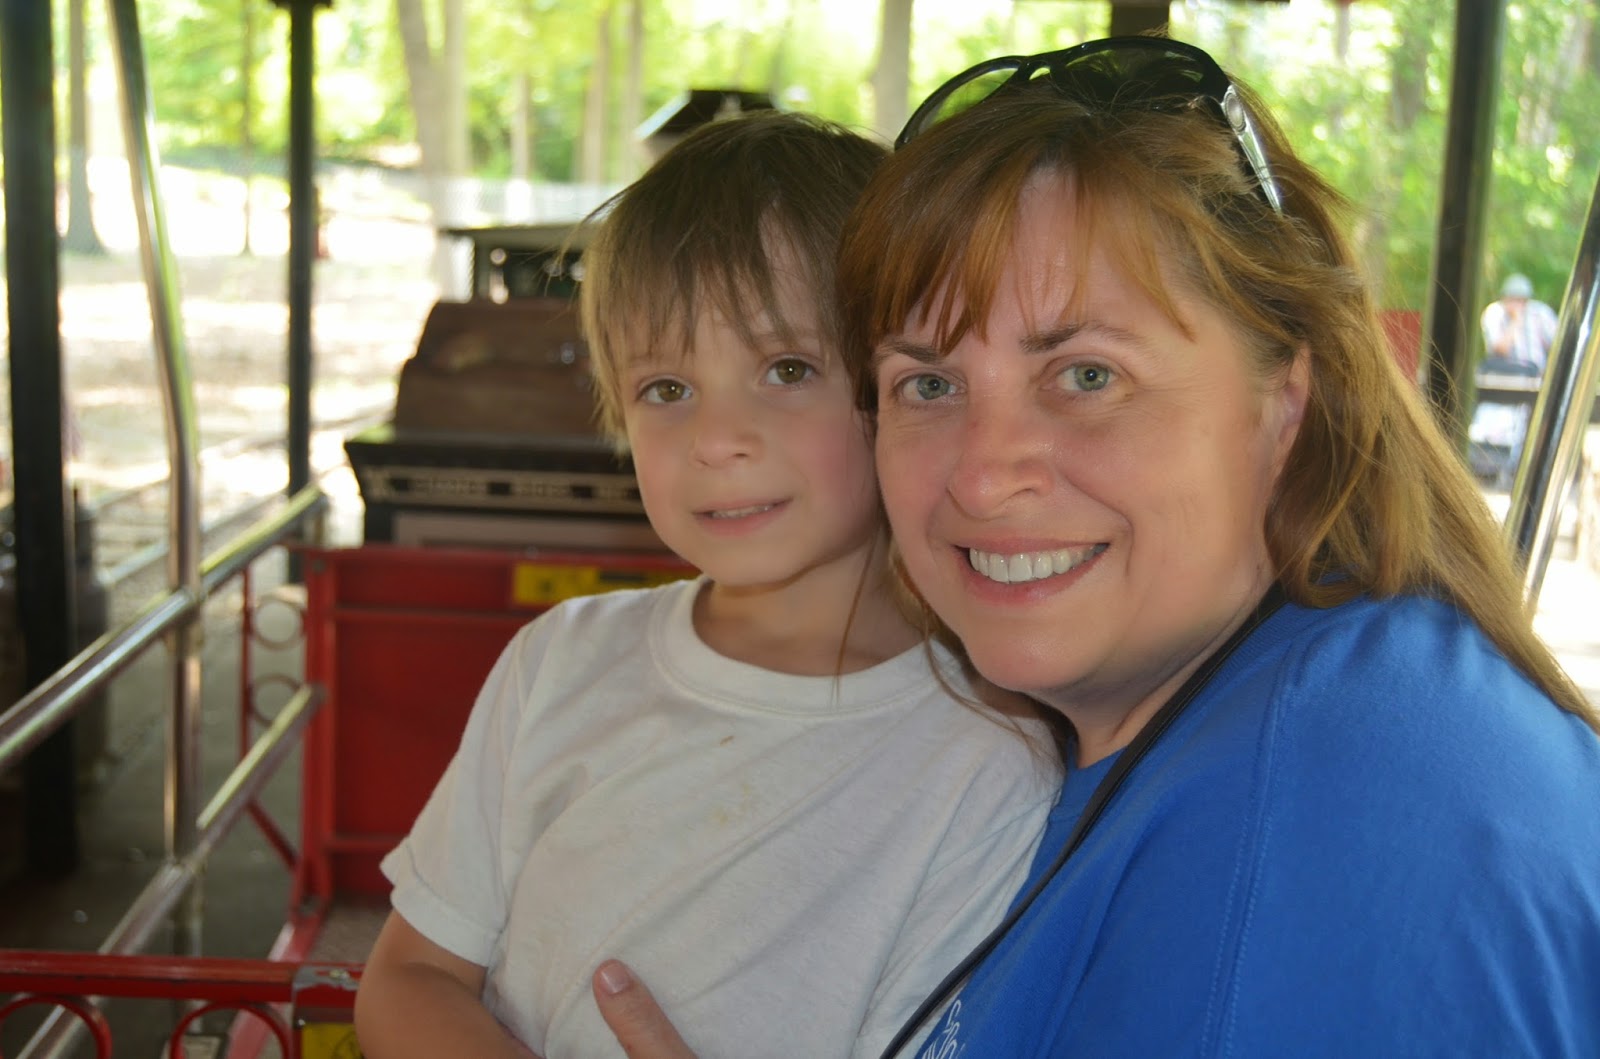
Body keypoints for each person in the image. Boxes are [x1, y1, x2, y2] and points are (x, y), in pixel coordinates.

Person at [583, 36, 1600, 1058]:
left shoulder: (1334, 821)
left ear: (1285, 402)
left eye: (1086, 376)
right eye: (927, 385)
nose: (983, 476)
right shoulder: (1251, 716)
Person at [351, 111, 1060, 1059]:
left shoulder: (988, 759)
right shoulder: (559, 661)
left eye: (787, 368)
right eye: (667, 389)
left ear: (902, 387)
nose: (717, 437)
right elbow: (410, 976)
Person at [1471, 273, 1560, 484]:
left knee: (1530, 420)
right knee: (1491, 420)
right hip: (1502, 376)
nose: (1516, 304)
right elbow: (1499, 348)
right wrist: (1515, 321)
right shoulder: (1494, 313)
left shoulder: (1541, 314)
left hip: (1532, 377)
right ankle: (1486, 462)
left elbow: (1558, 347)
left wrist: (1548, 372)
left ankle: (1523, 467)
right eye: (1512, 298)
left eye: (1520, 300)